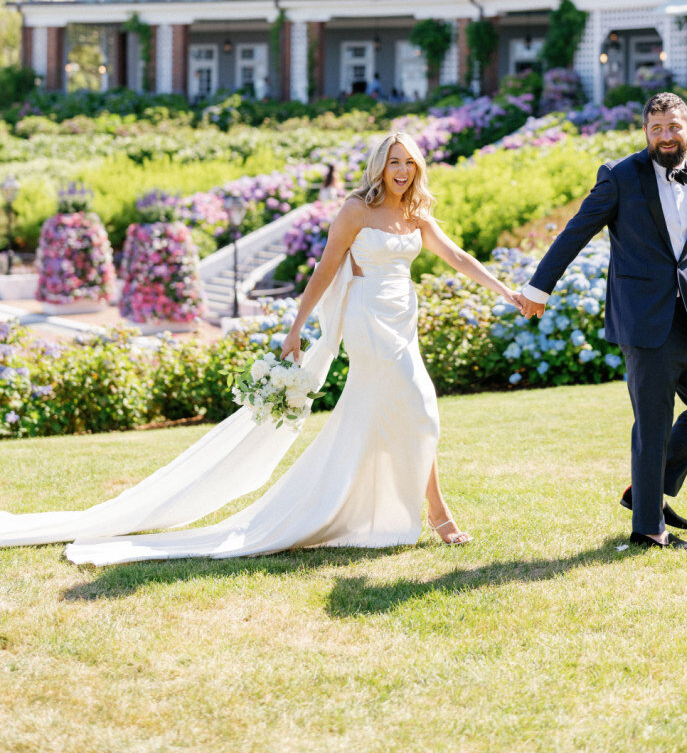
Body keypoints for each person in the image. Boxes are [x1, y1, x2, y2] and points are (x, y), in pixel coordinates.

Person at [0, 133, 521, 565]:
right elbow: (324, 270)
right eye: (394, 162)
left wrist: (506, 291)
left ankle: (402, 508)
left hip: (403, 318)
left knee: (408, 412)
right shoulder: (356, 210)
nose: (402, 171)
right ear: (379, 166)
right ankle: (438, 514)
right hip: (367, 320)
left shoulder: (416, 214)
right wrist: (296, 329)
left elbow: (458, 258)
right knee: (420, 407)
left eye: (409, 163)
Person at [518, 92, 687, 552]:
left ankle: (643, 491)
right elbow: (577, 231)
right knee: (653, 424)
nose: (666, 136)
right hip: (643, 320)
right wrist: (538, 288)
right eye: (656, 128)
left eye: (674, 127)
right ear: (646, 132)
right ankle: (648, 529)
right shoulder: (620, 176)